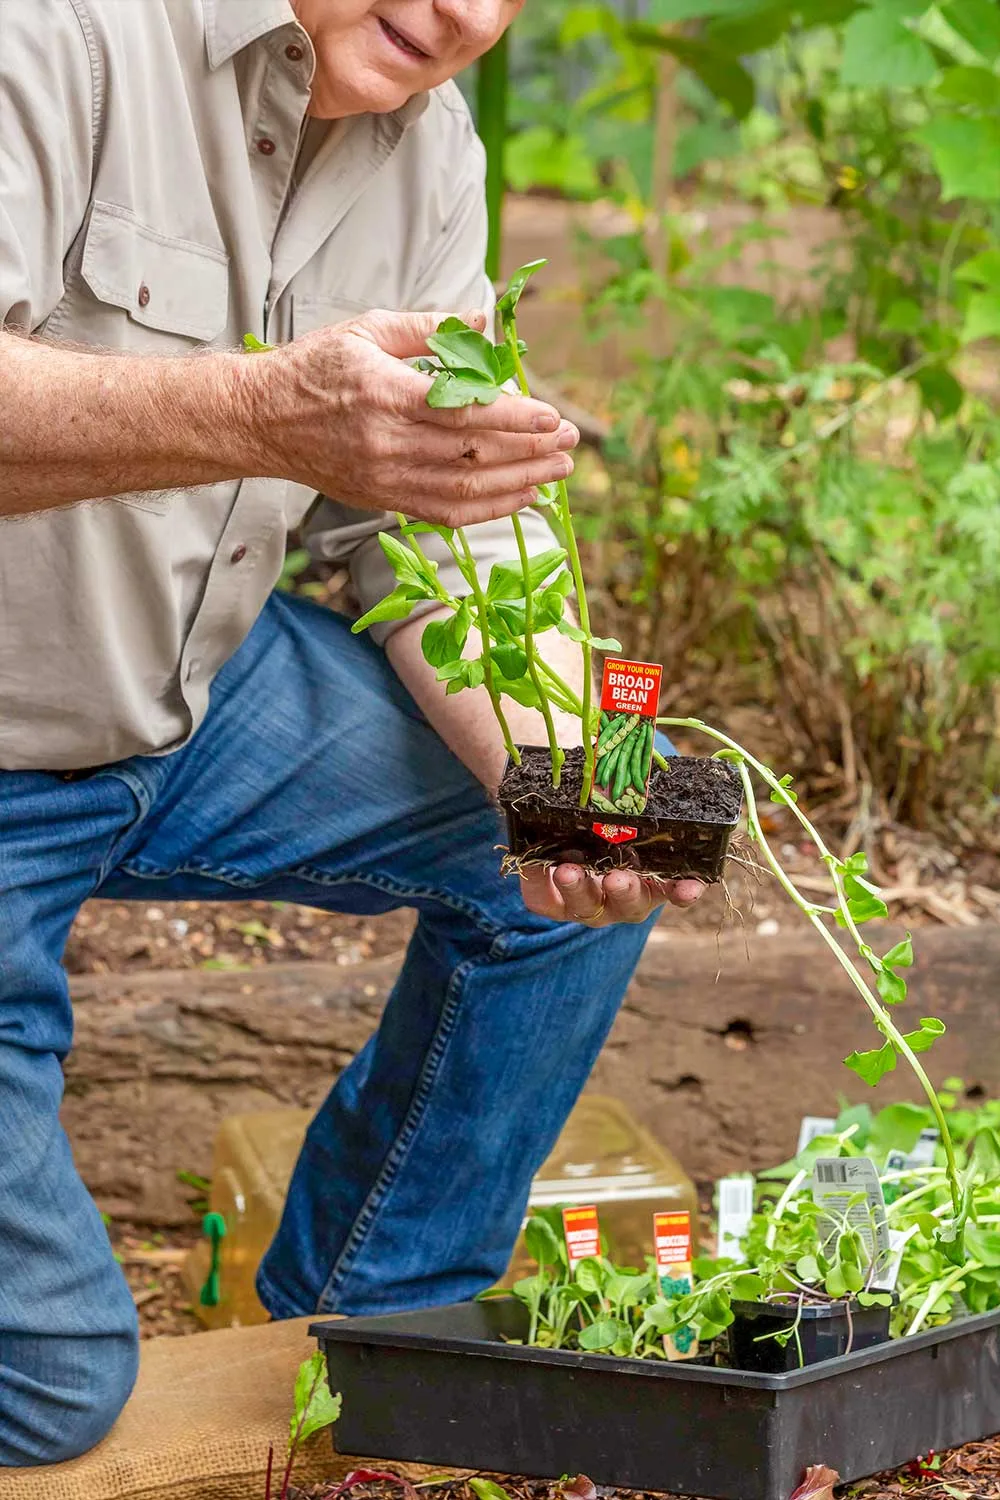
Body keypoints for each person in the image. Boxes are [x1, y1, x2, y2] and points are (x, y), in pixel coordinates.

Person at [0, 0, 702, 1467]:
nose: (463, 16)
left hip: (194, 708)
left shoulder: (432, 149)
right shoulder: (56, 35)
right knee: (53, 1386)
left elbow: (448, 531)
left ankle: (373, 1370)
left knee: (589, 847)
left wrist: (571, 782)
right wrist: (264, 413)